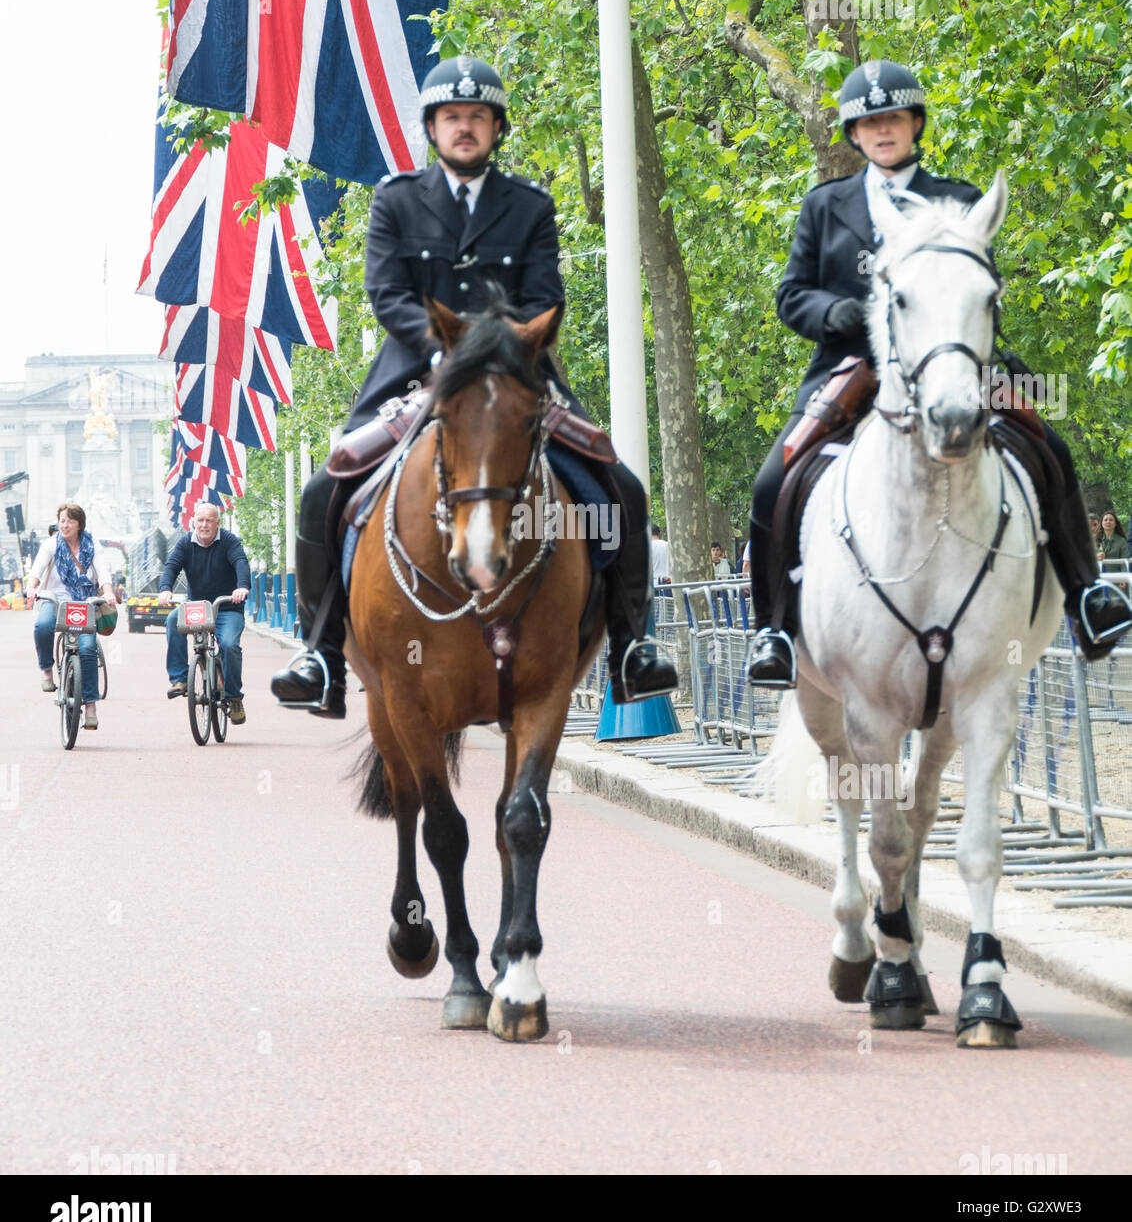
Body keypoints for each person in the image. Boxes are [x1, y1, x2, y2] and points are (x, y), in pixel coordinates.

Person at [270, 55, 676, 718]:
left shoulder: (530, 207)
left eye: (477, 118)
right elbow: (387, 293)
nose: (465, 128)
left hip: (517, 374)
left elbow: (543, 294)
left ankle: (633, 648)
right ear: (433, 128)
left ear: (496, 128)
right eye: (452, 118)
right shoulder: (396, 200)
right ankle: (318, 655)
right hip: (415, 371)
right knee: (326, 485)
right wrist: (448, 352)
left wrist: (497, 355)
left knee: (619, 484)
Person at [746, 59, 1132, 688]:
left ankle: (1089, 596)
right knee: (773, 480)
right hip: (851, 366)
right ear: (853, 135)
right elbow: (792, 296)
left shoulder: (959, 199)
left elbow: (976, 288)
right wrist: (837, 310)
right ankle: (773, 631)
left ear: (914, 123)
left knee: (1049, 445)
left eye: (893, 118)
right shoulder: (824, 207)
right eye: (869, 123)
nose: (882, 131)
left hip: (950, 363)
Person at [158, 503, 251, 724]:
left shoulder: (229, 541)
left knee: (229, 645)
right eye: (200, 520)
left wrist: (242, 587)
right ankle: (180, 679)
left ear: (217, 523)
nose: (204, 525)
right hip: (199, 608)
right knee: (172, 621)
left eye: (209, 520)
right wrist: (165, 589)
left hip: (227, 608)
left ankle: (234, 697)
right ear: (194, 522)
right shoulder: (185, 543)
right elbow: (171, 566)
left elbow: (241, 563)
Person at [25, 503, 115, 730]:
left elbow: (103, 571)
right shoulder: (51, 544)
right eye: (62, 520)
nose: (64, 525)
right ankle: (47, 669)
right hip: (55, 600)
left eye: (70, 521)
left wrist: (109, 591)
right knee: (42, 626)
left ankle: (91, 707)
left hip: (84, 603)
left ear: (79, 524)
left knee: (86, 650)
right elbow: (37, 569)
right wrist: (32, 587)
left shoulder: (91, 545)